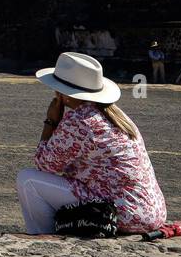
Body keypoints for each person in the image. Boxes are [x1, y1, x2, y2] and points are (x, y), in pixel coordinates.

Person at [16, 52, 166, 235]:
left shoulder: (80, 120)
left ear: (63, 92)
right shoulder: (116, 115)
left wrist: (51, 122)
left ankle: (42, 236)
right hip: (152, 212)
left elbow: (44, 164)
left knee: (27, 180)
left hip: (123, 214)